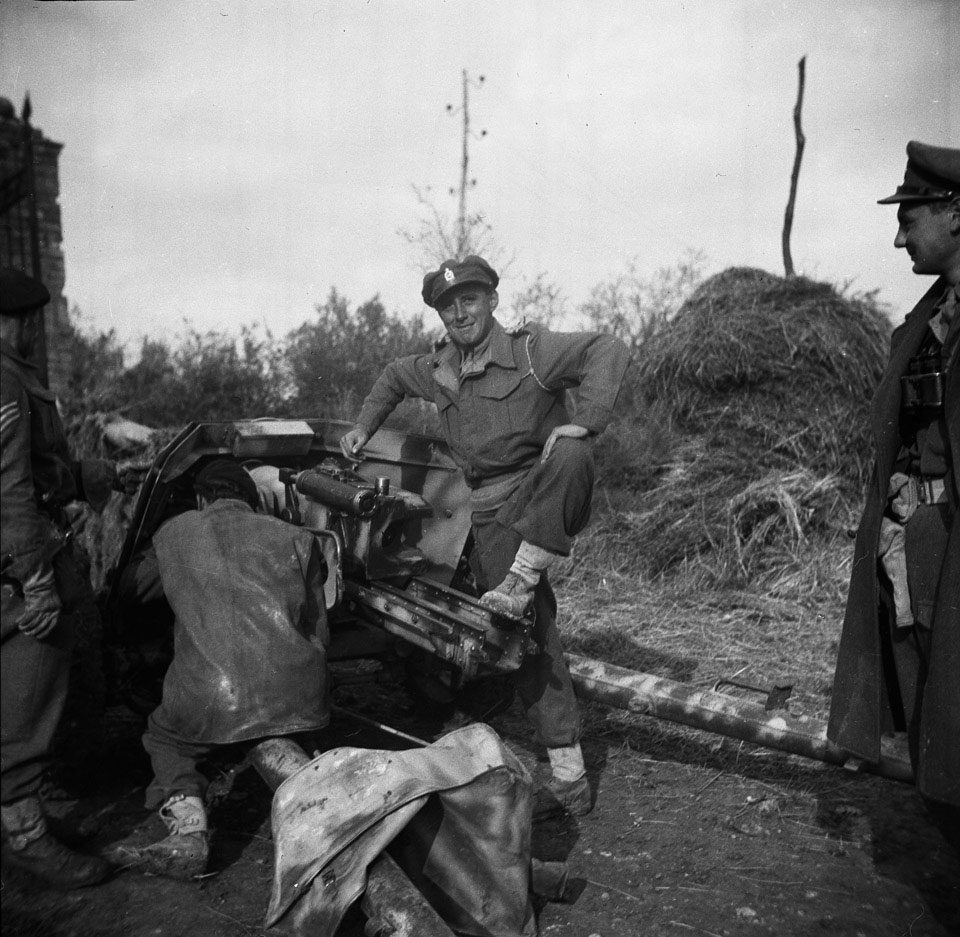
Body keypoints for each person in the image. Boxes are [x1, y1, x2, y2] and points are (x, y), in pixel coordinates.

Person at [339, 255, 630, 819]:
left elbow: (608, 349)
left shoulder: (529, 351)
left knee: (572, 449)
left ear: (492, 300)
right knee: (524, 631)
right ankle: (569, 778)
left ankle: (523, 576)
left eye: (469, 299)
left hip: (544, 484)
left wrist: (587, 418)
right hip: (491, 508)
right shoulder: (438, 367)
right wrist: (362, 427)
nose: (459, 312)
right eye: (448, 306)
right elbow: (393, 378)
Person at [114, 460, 330, 879]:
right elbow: (320, 626)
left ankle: (189, 829)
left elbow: (130, 591)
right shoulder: (298, 537)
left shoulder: (176, 532)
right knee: (291, 717)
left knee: (166, 738)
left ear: (201, 499)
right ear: (253, 501)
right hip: (301, 695)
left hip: (212, 700)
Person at [828, 142, 959, 820]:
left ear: (955, 212)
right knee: (930, 702)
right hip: (919, 540)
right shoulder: (929, 319)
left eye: (909, 218)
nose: (899, 235)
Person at [1, 268, 143, 888]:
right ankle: (24, 840)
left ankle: (23, 820)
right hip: (18, 561)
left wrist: (101, 474)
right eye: (36, 321)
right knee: (26, 699)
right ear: (25, 321)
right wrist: (35, 583)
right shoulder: (4, 376)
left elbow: (41, 465)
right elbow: (10, 493)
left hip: (18, 553)